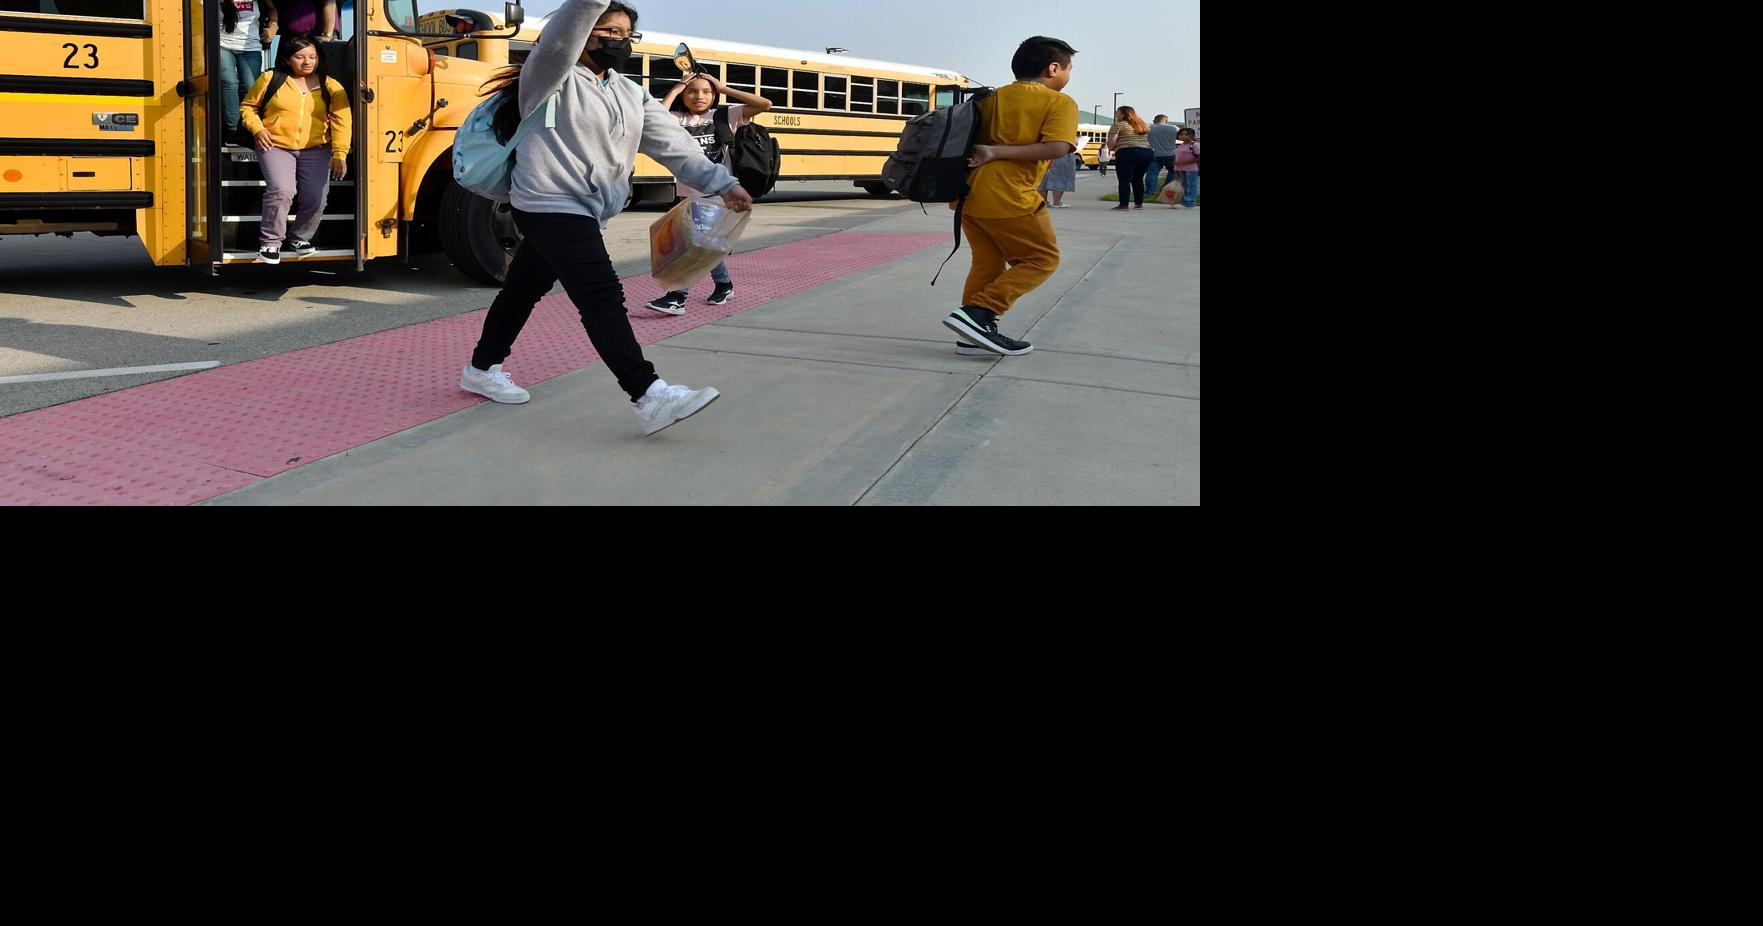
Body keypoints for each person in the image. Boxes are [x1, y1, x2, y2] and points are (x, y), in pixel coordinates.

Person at [458, 0, 754, 437]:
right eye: (606, 31)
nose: (617, 41)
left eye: (625, 35)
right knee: (601, 295)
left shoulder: (630, 93)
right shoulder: (549, 75)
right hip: (547, 201)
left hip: (587, 208)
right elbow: (562, 34)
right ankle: (649, 394)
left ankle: (481, 368)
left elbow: (675, 146)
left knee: (523, 290)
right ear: (583, 32)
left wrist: (723, 183)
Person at [940, 36, 1078, 358]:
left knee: (987, 263)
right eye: (1070, 68)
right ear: (1053, 68)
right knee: (1042, 259)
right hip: (1010, 196)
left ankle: (972, 338)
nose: (1070, 75)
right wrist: (999, 152)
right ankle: (979, 314)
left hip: (968, 195)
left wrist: (991, 151)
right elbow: (1058, 147)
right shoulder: (1060, 102)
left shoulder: (990, 98)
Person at [643, 71, 773, 314]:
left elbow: (764, 104)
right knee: (706, 244)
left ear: (714, 95)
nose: (699, 96)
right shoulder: (677, 119)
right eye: (692, 91)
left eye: (706, 91)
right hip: (688, 194)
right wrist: (676, 88)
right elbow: (654, 119)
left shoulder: (725, 116)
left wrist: (724, 89)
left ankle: (676, 297)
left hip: (719, 193)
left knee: (695, 245)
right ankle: (724, 285)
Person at [240, 36, 349, 264]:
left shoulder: (331, 85)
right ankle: (270, 243)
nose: (307, 62)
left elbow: (342, 122)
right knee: (282, 190)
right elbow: (249, 107)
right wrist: (258, 129)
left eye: (312, 57)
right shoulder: (271, 78)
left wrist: (340, 154)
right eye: (300, 57)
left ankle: (300, 237)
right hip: (275, 146)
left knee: (316, 198)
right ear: (288, 60)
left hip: (317, 149)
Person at [218, 0, 275, 147]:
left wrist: (273, 26)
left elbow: (272, 10)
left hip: (250, 46)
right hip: (222, 44)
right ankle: (232, 130)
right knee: (229, 82)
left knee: (250, 86)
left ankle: (248, 127)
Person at [1106, 105, 1151, 210]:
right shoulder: (1142, 125)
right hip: (1146, 152)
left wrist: (1111, 148)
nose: (1115, 115)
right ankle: (1139, 204)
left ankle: (1124, 204)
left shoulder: (1118, 125)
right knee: (1138, 179)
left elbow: (1111, 142)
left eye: (1117, 113)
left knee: (1124, 179)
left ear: (1123, 114)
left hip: (1127, 152)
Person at [1146, 113, 1179, 196]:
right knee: (1173, 171)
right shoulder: (1173, 128)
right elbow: (1181, 137)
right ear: (1166, 121)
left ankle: (1150, 192)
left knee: (1152, 173)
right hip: (1170, 154)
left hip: (1153, 154)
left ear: (1154, 120)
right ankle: (1164, 189)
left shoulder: (1148, 128)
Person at [1038, 139, 1077, 208]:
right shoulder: (1064, 132)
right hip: (1060, 156)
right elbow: (1072, 144)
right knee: (1059, 179)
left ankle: (1044, 202)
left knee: (1043, 179)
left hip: (1044, 154)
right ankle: (1056, 202)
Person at [1171, 126, 1200, 209]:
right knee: (1184, 186)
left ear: (1192, 135)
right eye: (1181, 134)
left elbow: (1198, 157)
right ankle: (1184, 201)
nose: (1183, 136)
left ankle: (1190, 202)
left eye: (1186, 134)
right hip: (1180, 168)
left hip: (1191, 168)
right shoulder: (1181, 145)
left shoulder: (1195, 145)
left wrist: (1185, 162)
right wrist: (1176, 167)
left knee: (1191, 185)